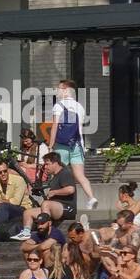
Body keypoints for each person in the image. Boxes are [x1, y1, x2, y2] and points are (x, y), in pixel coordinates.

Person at [47, 79, 96, 210]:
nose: (57, 91)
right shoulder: (80, 107)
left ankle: (54, 199)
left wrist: (51, 145)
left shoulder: (58, 106)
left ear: (66, 90)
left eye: (59, 88)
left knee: (56, 172)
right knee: (80, 176)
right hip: (77, 145)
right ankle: (91, 197)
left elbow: (55, 126)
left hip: (62, 145)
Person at [12, 151, 76, 239]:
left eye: (47, 164)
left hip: (68, 208)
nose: (45, 167)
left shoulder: (65, 173)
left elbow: (70, 189)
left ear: (55, 163)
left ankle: (46, 232)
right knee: (28, 212)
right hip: (55, 207)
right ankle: (26, 233)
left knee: (46, 204)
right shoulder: (54, 176)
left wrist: (54, 192)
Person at [0, 158, 31, 233]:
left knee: (4, 206)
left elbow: (16, 202)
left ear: (8, 170)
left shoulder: (19, 180)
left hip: (23, 210)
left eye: (5, 171)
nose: (3, 174)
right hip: (5, 210)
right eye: (0, 172)